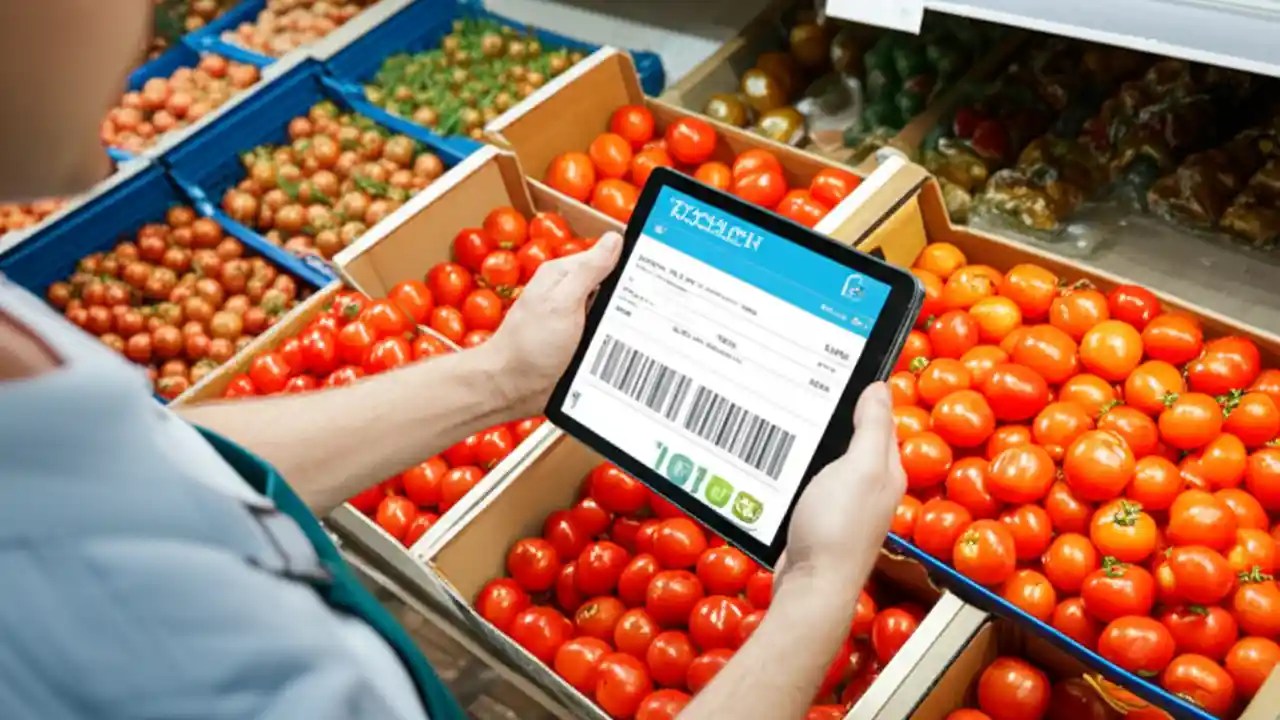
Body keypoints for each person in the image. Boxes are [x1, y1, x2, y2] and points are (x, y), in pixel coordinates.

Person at [0, 3, 906, 719]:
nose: (149, 14)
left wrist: (501, 375)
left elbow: (165, 461)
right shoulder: (124, 647)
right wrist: (819, 587)